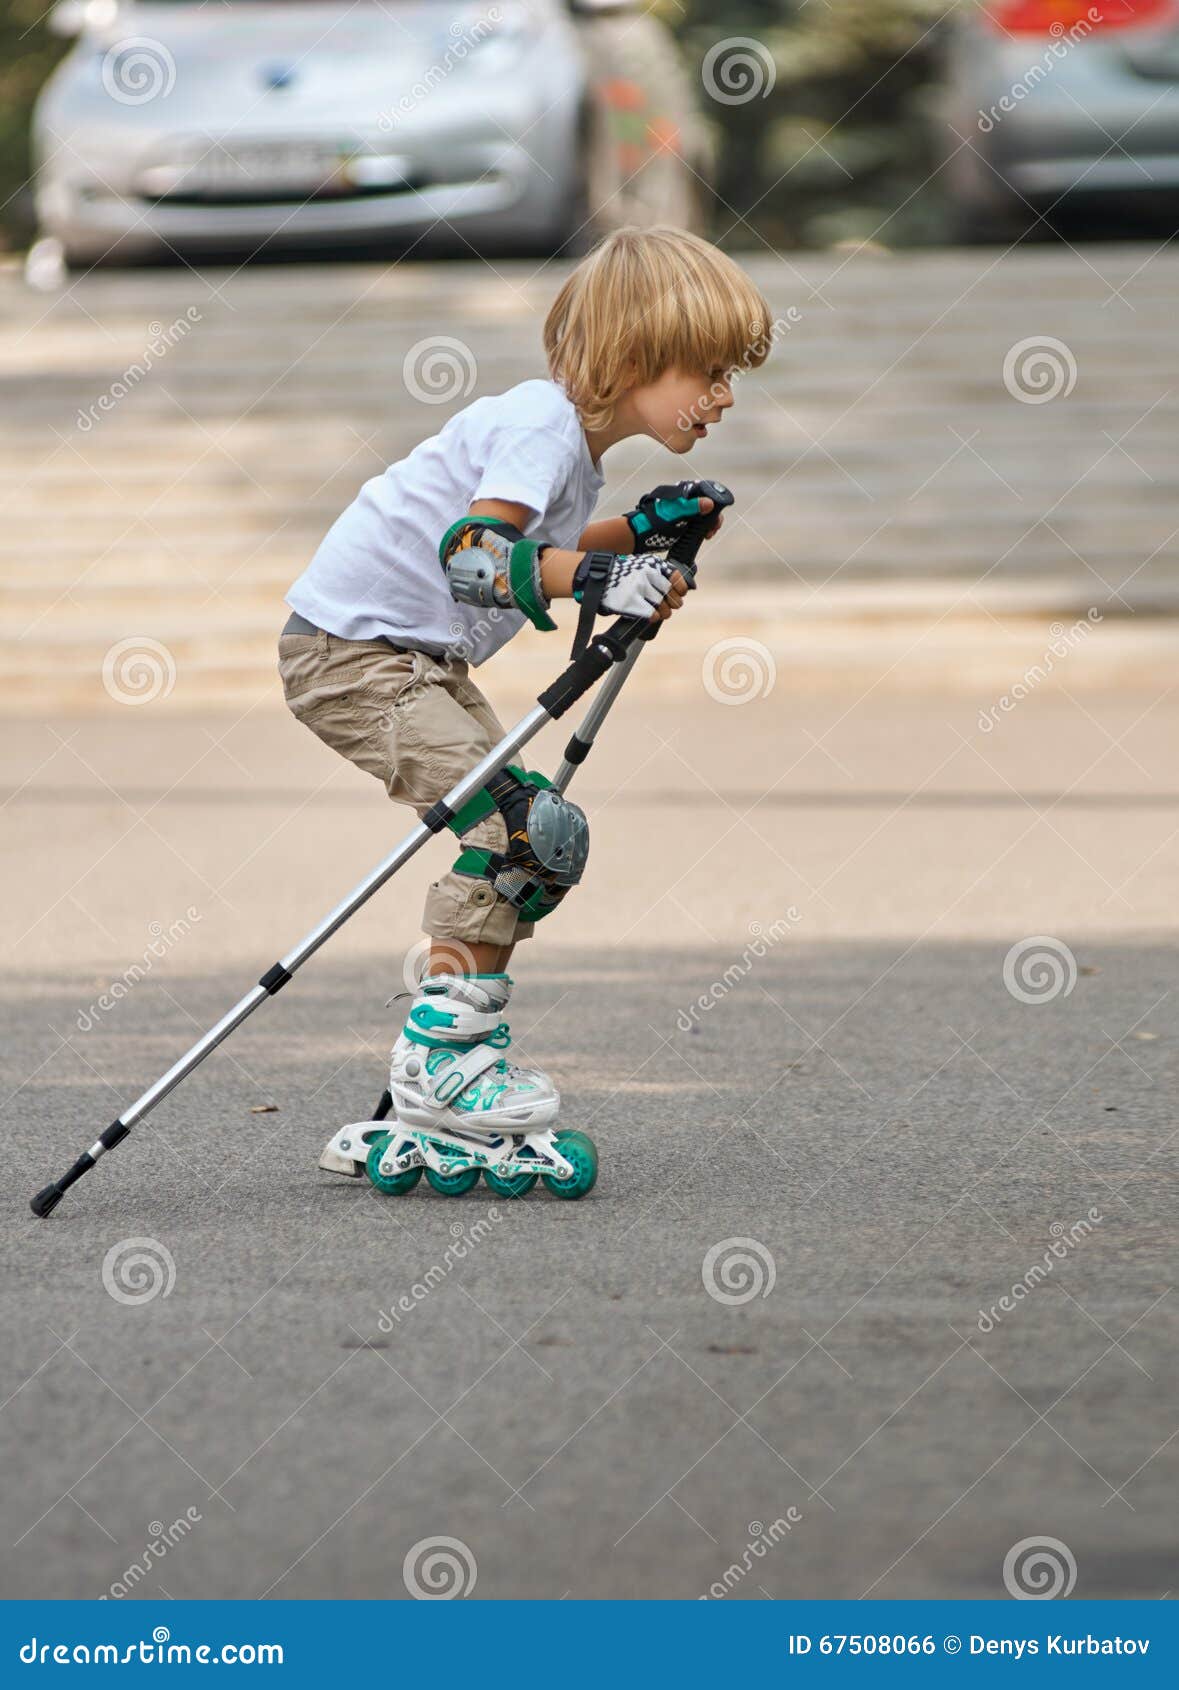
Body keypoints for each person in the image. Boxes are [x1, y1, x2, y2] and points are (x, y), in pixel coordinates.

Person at [277, 225, 772, 1194]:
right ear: (636, 353)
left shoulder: (569, 451)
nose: (723, 396)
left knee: (545, 842)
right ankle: (441, 1063)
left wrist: (639, 530)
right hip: (350, 656)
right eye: (708, 370)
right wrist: (606, 573)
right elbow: (471, 556)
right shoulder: (540, 426)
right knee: (518, 825)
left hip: (413, 661)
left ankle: (446, 1051)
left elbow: (535, 545)